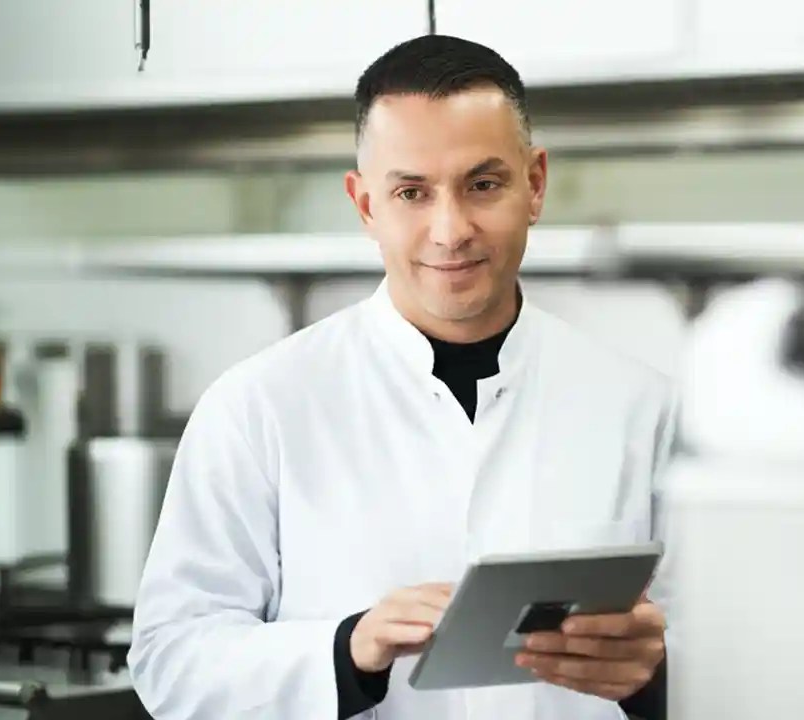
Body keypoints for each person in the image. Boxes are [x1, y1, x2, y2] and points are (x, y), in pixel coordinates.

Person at [127, 34, 676, 720]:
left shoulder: (642, 408)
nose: (450, 230)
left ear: (534, 184)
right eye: (412, 192)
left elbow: (737, 653)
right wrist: (346, 650)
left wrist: (654, 675)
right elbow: (172, 660)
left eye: (483, 184)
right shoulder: (256, 407)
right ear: (365, 206)